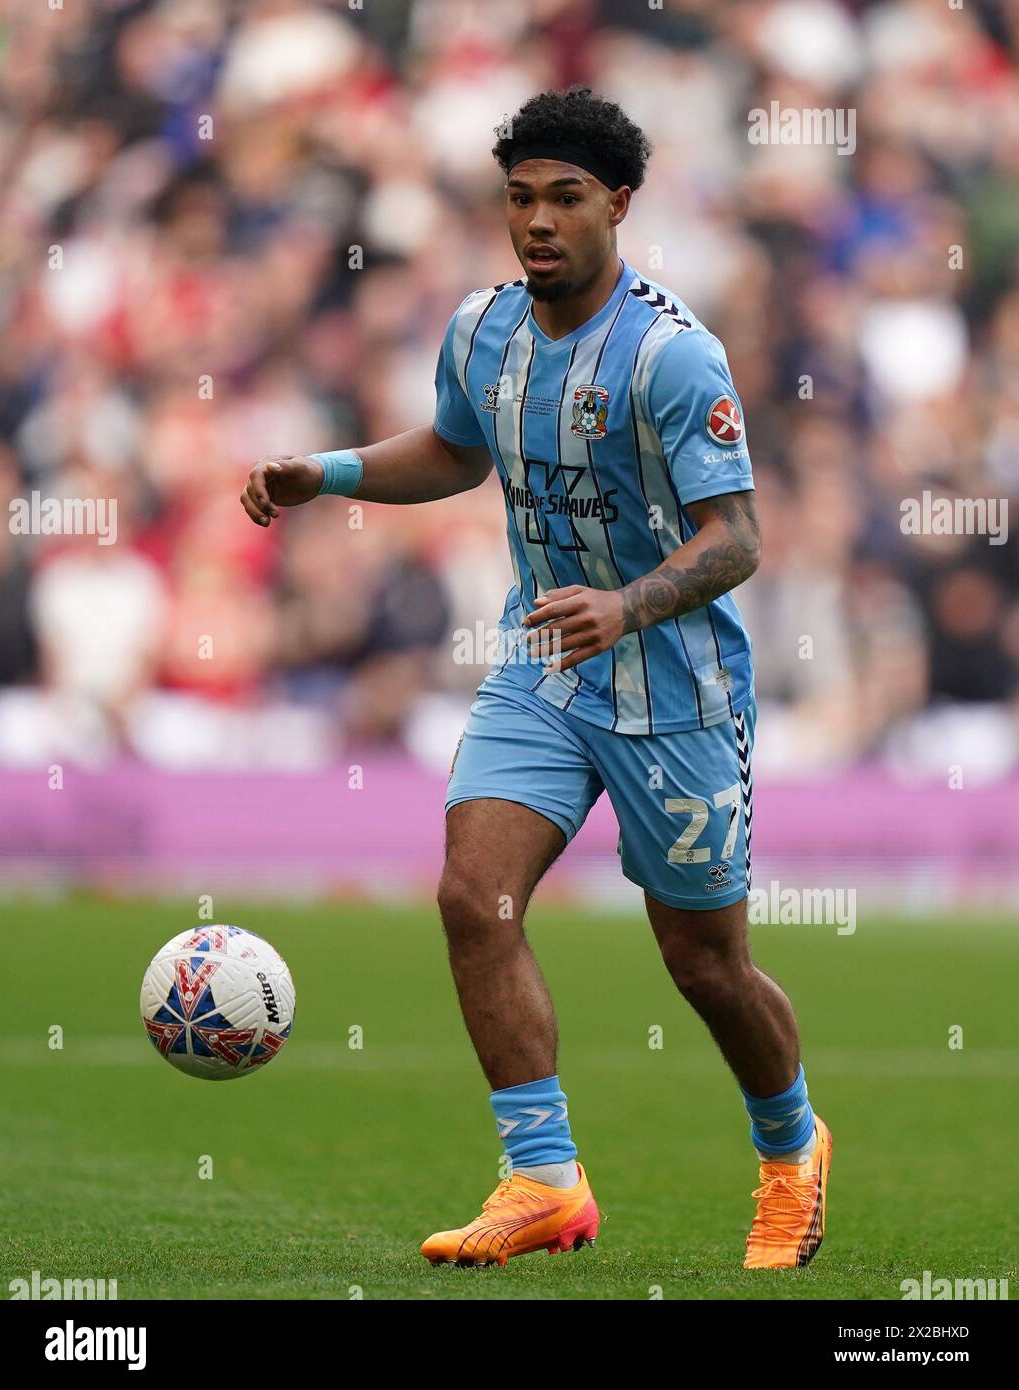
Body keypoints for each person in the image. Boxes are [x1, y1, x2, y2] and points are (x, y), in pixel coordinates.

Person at [239, 87, 831, 1272]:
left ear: (618, 204)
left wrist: (624, 602)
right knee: (474, 896)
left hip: (675, 696)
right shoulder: (482, 330)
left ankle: (790, 1147)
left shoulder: (675, 355)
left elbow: (739, 539)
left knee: (703, 963)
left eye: (565, 198)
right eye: (520, 199)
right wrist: (333, 472)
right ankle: (542, 1176)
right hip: (543, 669)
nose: (538, 222)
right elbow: (461, 449)